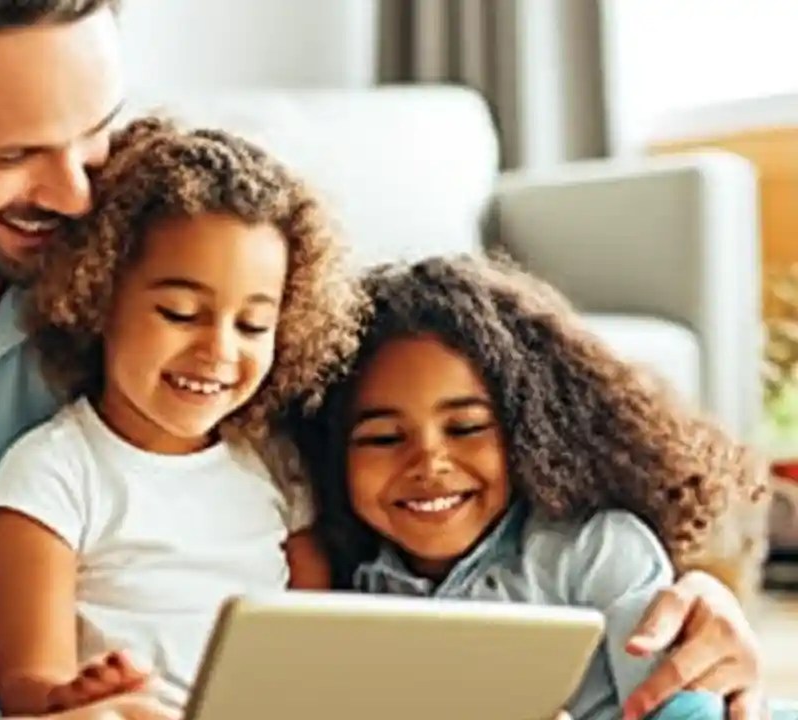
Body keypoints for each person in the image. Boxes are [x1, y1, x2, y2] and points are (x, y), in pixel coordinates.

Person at [0, 1, 767, 718]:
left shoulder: (153, 269)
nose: (78, 190)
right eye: (16, 154)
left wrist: (695, 592)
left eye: (93, 128)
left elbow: (451, 407)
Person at [0, 116, 361, 715]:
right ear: (97, 295)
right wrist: (77, 699)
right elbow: (24, 690)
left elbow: (322, 646)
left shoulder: (276, 465)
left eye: (253, 325)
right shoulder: (53, 474)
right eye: (180, 313)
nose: (219, 351)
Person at [290, 255, 771, 719]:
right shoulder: (356, 582)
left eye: (466, 428)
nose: (428, 463)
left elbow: (684, 709)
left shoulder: (594, 550)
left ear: (530, 434)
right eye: (384, 438)